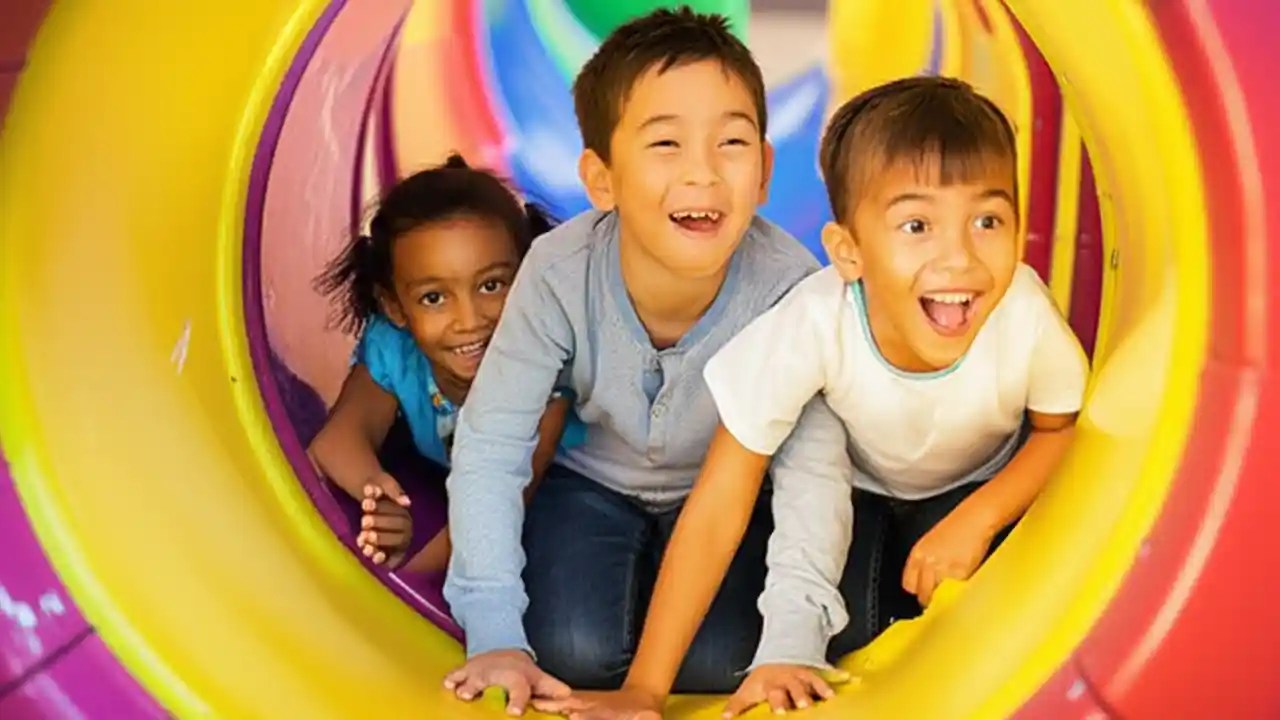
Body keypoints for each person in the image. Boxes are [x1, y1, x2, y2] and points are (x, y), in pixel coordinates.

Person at [543, 76, 1091, 719]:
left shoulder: (1023, 312)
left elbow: (1059, 430)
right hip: (853, 491)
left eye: (988, 220)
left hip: (973, 483)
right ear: (848, 251)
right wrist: (645, 689)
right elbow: (722, 499)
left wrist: (979, 519)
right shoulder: (811, 322)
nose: (959, 258)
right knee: (824, 635)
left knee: (1004, 620)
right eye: (917, 224)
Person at [439, 6, 852, 717]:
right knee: (567, 650)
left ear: (764, 171)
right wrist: (493, 629)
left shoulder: (789, 289)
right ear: (602, 179)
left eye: (731, 142)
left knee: (726, 662)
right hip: (595, 482)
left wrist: (791, 640)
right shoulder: (560, 270)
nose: (703, 172)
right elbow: (492, 444)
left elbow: (813, 471)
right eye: (666, 144)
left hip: (728, 499)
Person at [307, 154, 583, 572]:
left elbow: (498, 504)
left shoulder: (547, 355)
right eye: (434, 297)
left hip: (565, 489)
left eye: (491, 285)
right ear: (395, 306)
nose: (469, 321)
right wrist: (379, 497)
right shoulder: (396, 345)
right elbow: (337, 440)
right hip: (468, 486)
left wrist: (406, 584)